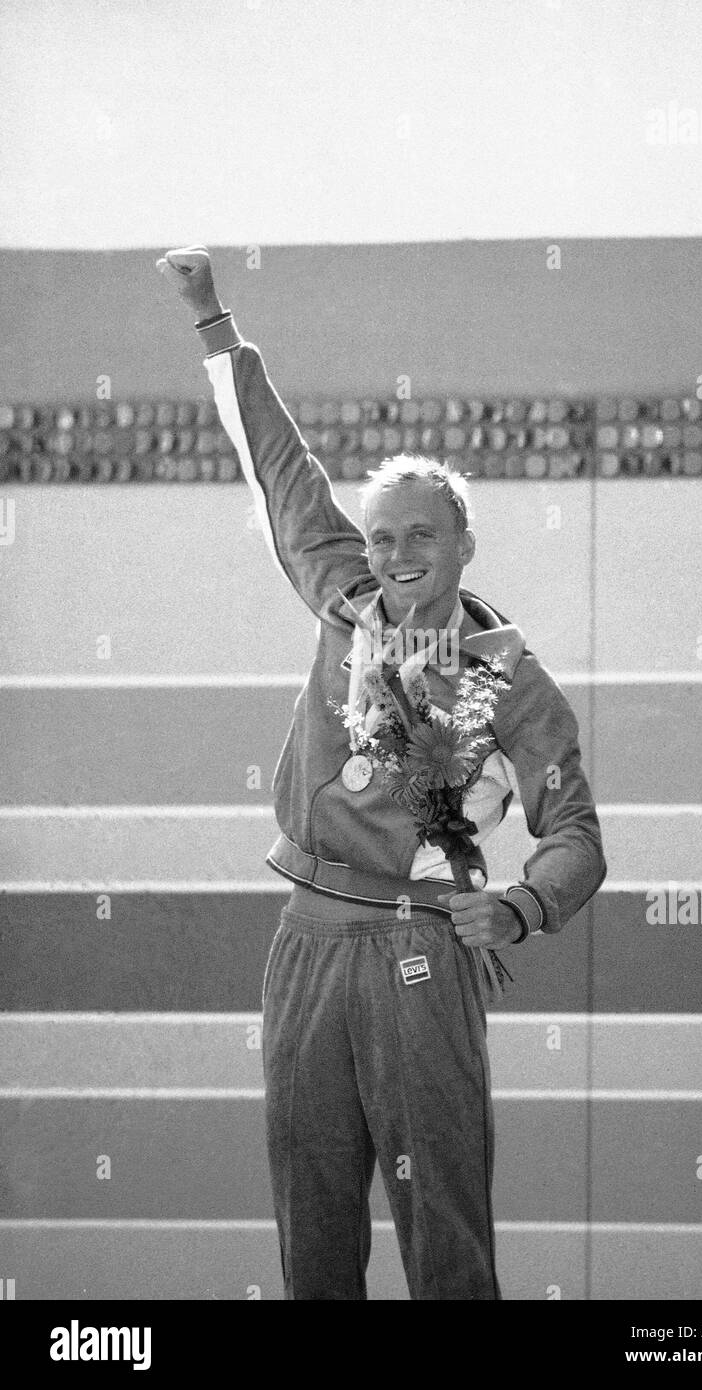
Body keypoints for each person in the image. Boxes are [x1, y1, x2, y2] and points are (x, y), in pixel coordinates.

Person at [157, 246, 607, 1300]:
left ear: (464, 545)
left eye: (421, 535)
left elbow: (579, 834)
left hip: (419, 951)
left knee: (443, 1230)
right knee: (312, 1229)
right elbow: (282, 470)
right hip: (306, 940)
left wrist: (526, 904)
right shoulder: (342, 602)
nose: (396, 553)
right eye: (382, 535)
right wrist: (213, 319)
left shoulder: (513, 684)